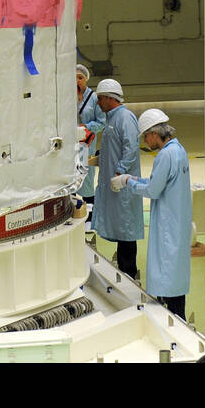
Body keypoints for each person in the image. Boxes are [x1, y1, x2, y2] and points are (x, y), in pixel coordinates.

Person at [112, 108, 191, 319]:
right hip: (176, 224)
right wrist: (136, 179)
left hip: (167, 226)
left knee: (168, 278)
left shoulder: (166, 155)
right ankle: (176, 317)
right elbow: (158, 183)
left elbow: (154, 190)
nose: (145, 141)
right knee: (174, 279)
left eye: (145, 136)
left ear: (155, 133)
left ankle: (175, 322)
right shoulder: (179, 151)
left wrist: (128, 182)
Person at [91, 78, 142, 278]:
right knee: (121, 230)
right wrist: (99, 159)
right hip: (114, 185)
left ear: (109, 98)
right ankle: (124, 270)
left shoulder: (125, 118)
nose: (98, 103)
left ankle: (129, 273)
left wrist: (120, 172)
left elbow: (131, 149)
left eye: (100, 99)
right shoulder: (112, 119)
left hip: (122, 187)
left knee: (126, 230)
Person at [76, 64, 103, 222]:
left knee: (86, 178)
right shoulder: (66, 97)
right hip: (69, 146)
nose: (77, 81)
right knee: (69, 177)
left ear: (86, 80)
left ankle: (90, 219)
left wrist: (87, 127)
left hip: (86, 145)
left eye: (80, 78)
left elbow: (102, 122)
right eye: (74, 78)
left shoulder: (93, 98)